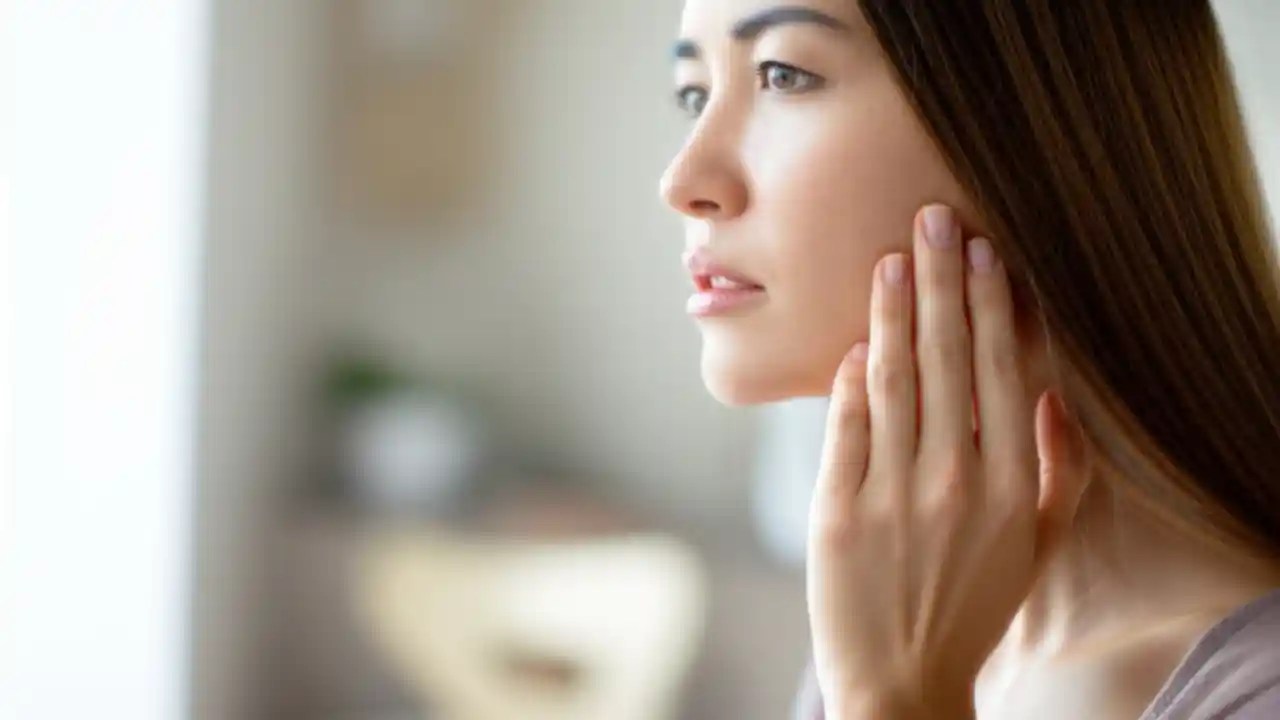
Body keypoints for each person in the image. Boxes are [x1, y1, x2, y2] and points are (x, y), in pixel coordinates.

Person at [658, 2, 1280, 718]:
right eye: (695, 95)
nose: (683, 180)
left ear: (1038, 125)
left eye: (783, 75)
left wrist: (895, 700)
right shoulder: (907, 611)